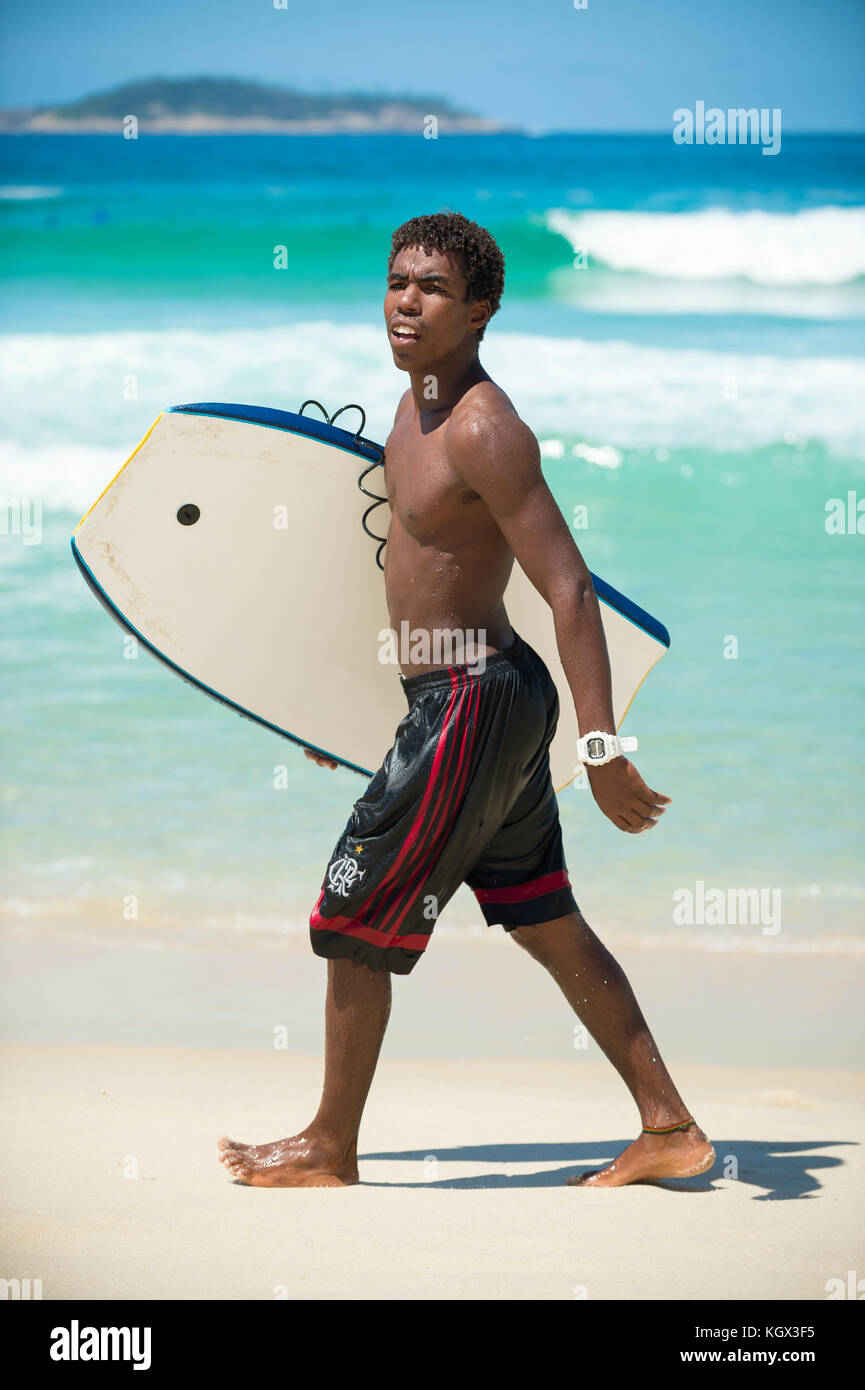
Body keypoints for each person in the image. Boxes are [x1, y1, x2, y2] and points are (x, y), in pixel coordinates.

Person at [218, 213, 714, 1189]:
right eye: (397, 281)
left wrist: (605, 747)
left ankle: (329, 1144)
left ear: (480, 309)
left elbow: (569, 586)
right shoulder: (412, 408)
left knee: (352, 911)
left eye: (432, 288)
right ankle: (668, 1129)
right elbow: (416, 580)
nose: (405, 301)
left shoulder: (484, 429)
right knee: (542, 917)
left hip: (475, 699)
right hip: (463, 698)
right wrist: (339, 707)